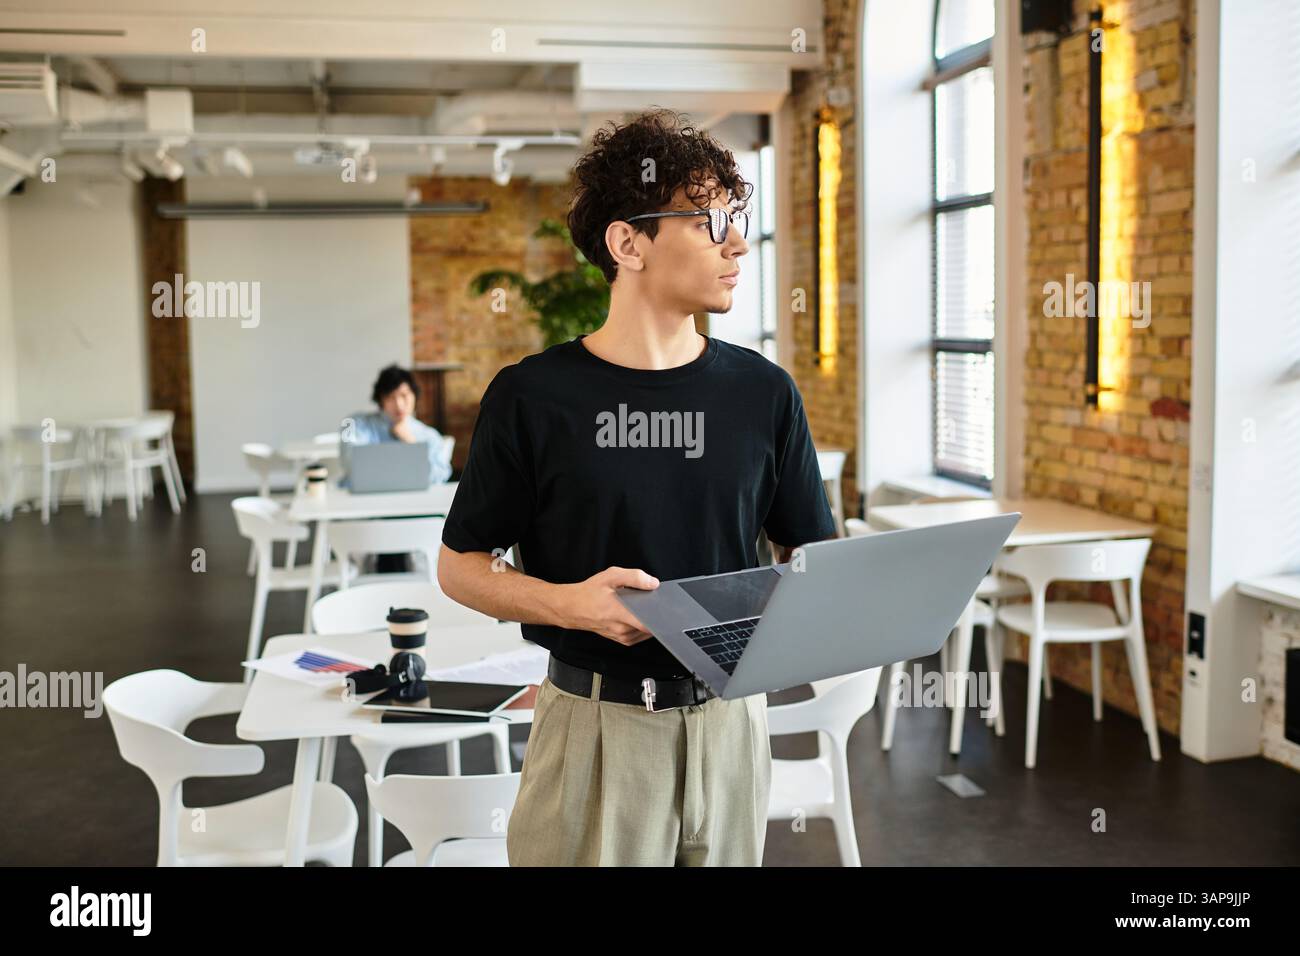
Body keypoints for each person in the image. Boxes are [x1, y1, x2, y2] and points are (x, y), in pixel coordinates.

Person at [437, 108, 836, 866]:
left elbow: (809, 554)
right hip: (595, 736)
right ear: (628, 242)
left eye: (736, 217)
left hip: (731, 731)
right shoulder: (533, 396)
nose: (737, 242)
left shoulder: (765, 393)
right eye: (710, 218)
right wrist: (569, 605)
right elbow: (460, 565)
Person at [343, 364, 453, 572]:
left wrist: (409, 442)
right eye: (391, 397)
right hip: (368, 512)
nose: (399, 404)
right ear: (380, 401)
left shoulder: (427, 435)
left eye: (404, 395)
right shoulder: (356, 424)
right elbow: (350, 461)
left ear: (414, 396)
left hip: (412, 513)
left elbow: (441, 474)